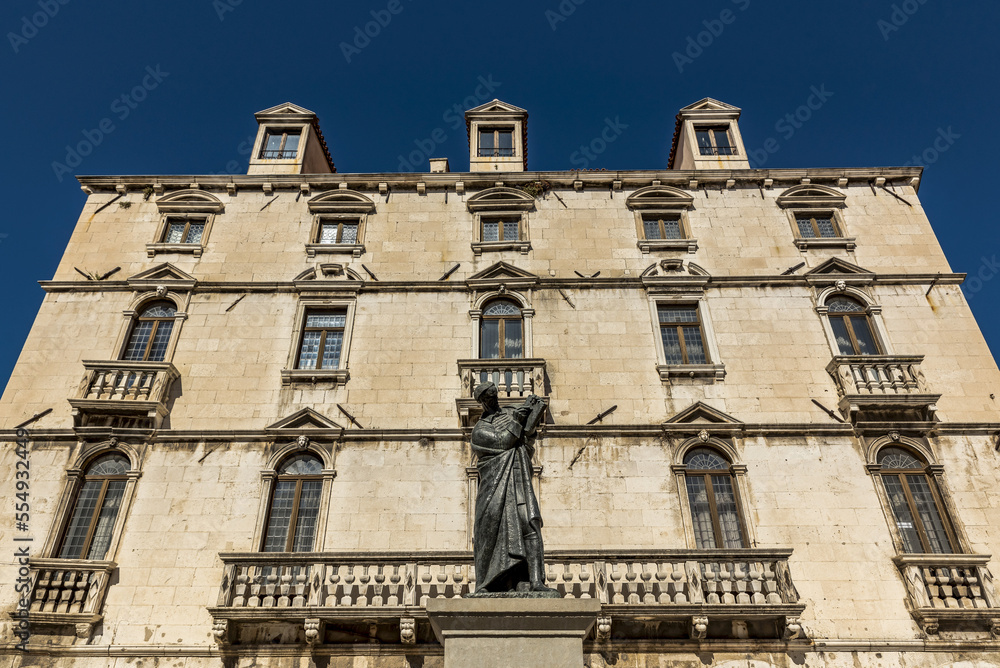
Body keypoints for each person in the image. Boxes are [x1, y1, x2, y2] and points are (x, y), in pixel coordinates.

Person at [469, 381, 557, 595]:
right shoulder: (480, 430)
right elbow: (504, 441)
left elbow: (525, 438)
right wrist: (518, 420)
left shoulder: (509, 413)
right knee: (494, 532)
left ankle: (535, 580)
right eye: (488, 398)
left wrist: (531, 418)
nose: (493, 401)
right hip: (495, 489)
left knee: (530, 525)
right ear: (482, 402)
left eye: (494, 396)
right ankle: (494, 582)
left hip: (519, 478)